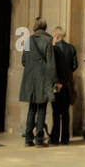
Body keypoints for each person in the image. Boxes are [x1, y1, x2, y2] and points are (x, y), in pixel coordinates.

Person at [19, 16, 56, 146]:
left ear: (35, 27)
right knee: (42, 109)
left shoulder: (28, 41)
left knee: (32, 109)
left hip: (30, 79)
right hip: (43, 79)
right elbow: (51, 63)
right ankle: (39, 139)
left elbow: (23, 61)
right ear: (45, 26)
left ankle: (28, 139)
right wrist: (55, 80)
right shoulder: (48, 41)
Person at [49, 27, 78, 145]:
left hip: (56, 84)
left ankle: (55, 138)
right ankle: (65, 139)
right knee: (65, 112)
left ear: (56, 36)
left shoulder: (54, 49)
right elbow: (75, 66)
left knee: (56, 112)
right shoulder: (71, 48)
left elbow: (51, 66)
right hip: (67, 84)